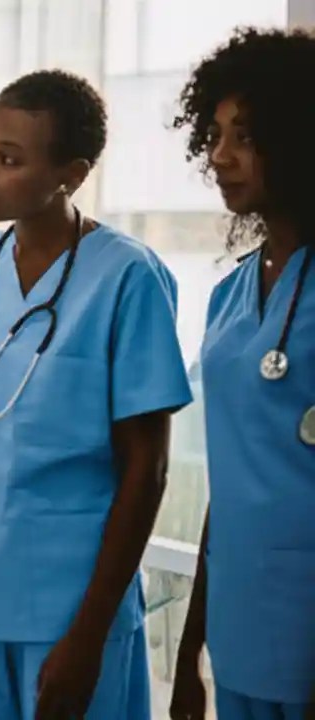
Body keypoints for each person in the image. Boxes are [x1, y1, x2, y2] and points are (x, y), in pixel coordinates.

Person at [0, 69, 193, 720]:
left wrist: (88, 636)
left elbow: (146, 471)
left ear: (71, 172)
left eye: (9, 159)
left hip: (68, 610)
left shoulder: (127, 277)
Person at [168, 27, 315, 720]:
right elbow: (228, 490)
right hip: (239, 635)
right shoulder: (230, 297)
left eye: (246, 137)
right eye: (216, 135)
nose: (220, 156)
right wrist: (190, 649)